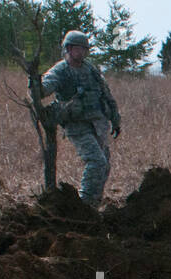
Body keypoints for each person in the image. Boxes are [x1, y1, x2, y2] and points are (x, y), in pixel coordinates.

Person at [39, 31, 120, 209]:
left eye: (85, 49)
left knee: (104, 166)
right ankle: (84, 205)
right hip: (77, 126)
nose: (82, 52)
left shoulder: (91, 69)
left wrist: (115, 117)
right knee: (97, 161)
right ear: (68, 48)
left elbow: (106, 93)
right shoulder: (61, 70)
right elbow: (44, 88)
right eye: (79, 48)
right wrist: (36, 85)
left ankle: (93, 205)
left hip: (97, 124)